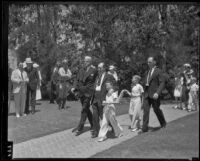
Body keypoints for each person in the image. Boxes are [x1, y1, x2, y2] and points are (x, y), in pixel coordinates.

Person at [138, 56, 167, 134]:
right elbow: (145, 83)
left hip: (154, 94)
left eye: (150, 62)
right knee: (146, 111)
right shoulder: (147, 72)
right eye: (147, 62)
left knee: (156, 109)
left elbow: (162, 83)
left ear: (154, 62)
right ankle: (144, 129)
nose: (148, 63)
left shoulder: (158, 71)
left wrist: (157, 92)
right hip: (147, 94)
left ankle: (163, 123)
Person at [71, 56, 98, 136]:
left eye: (86, 61)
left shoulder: (94, 70)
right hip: (81, 92)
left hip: (88, 93)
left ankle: (80, 127)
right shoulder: (81, 70)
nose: (84, 62)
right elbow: (77, 79)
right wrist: (74, 87)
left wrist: (94, 90)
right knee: (86, 109)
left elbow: (95, 81)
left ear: (90, 62)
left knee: (84, 109)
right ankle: (93, 125)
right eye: (84, 61)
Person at [90, 62, 117, 138]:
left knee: (104, 116)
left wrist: (112, 90)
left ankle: (113, 127)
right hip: (95, 97)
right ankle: (96, 131)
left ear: (104, 68)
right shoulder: (97, 76)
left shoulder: (109, 76)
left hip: (103, 98)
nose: (98, 69)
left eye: (100, 67)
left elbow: (116, 85)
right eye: (98, 67)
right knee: (95, 116)